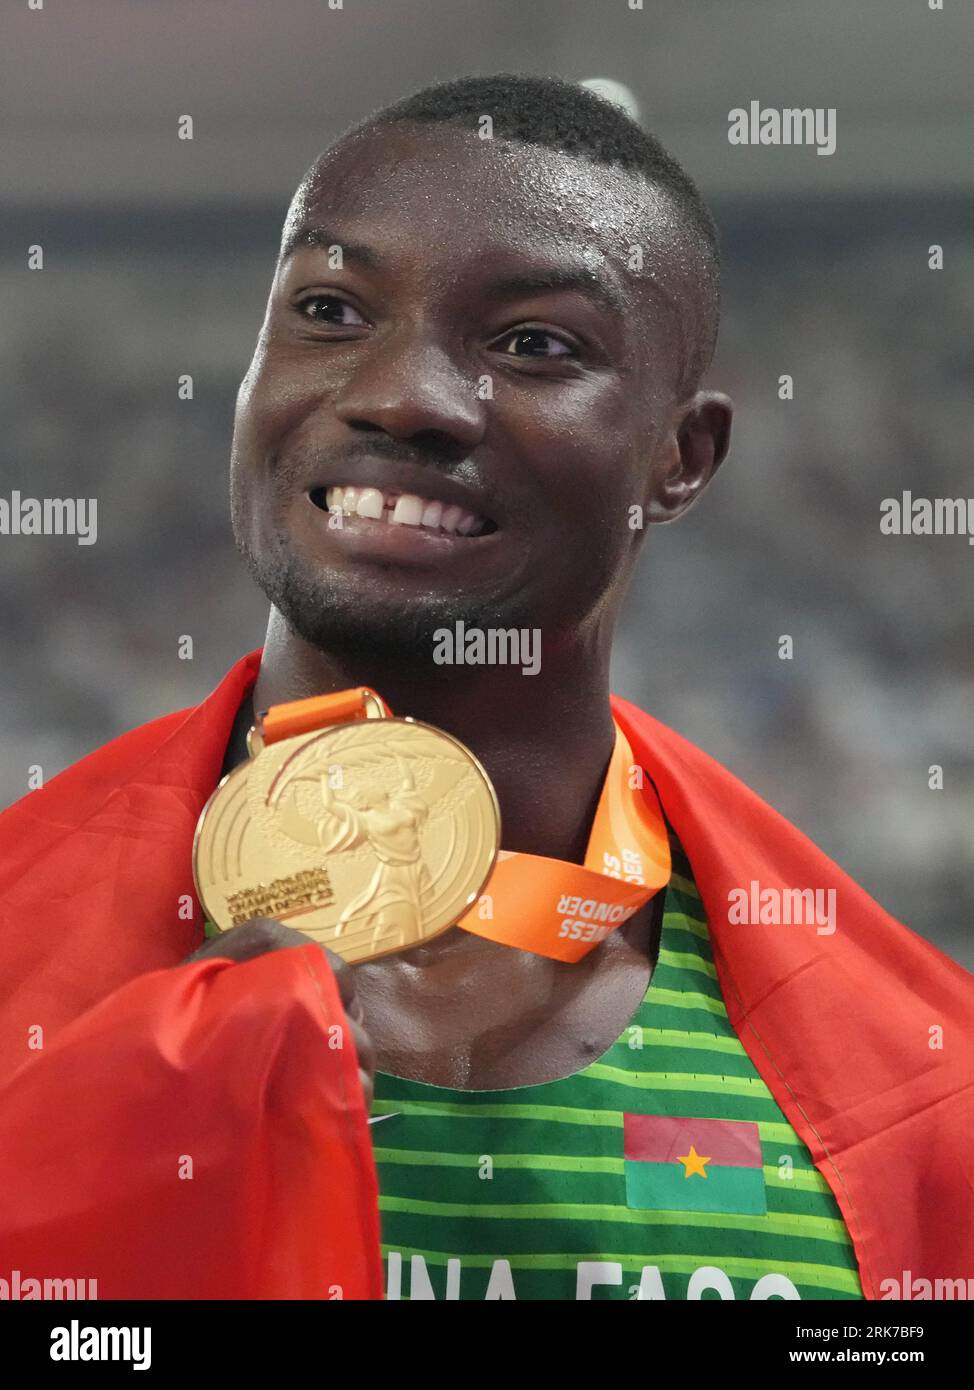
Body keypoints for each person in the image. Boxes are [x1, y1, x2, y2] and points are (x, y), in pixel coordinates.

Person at [1, 74, 971, 1302]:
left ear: (678, 459)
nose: (398, 394)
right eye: (329, 309)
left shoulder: (926, 1088)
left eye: (534, 344)